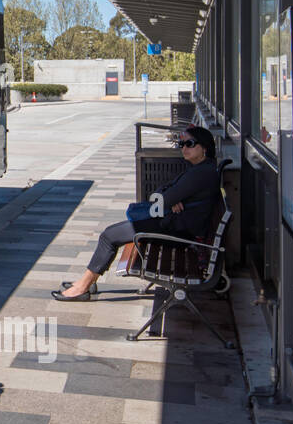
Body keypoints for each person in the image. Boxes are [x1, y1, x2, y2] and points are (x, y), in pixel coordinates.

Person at [54, 125, 221, 301]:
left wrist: (170, 198)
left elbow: (161, 198)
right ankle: (87, 281)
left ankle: (82, 287)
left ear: (204, 147)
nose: (184, 148)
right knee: (111, 233)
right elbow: (162, 192)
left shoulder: (201, 173)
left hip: (177, 232)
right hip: (177, 226)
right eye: (182, 144)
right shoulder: (202, 168)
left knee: (109, 235)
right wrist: (171, 198)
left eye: (190, 143)